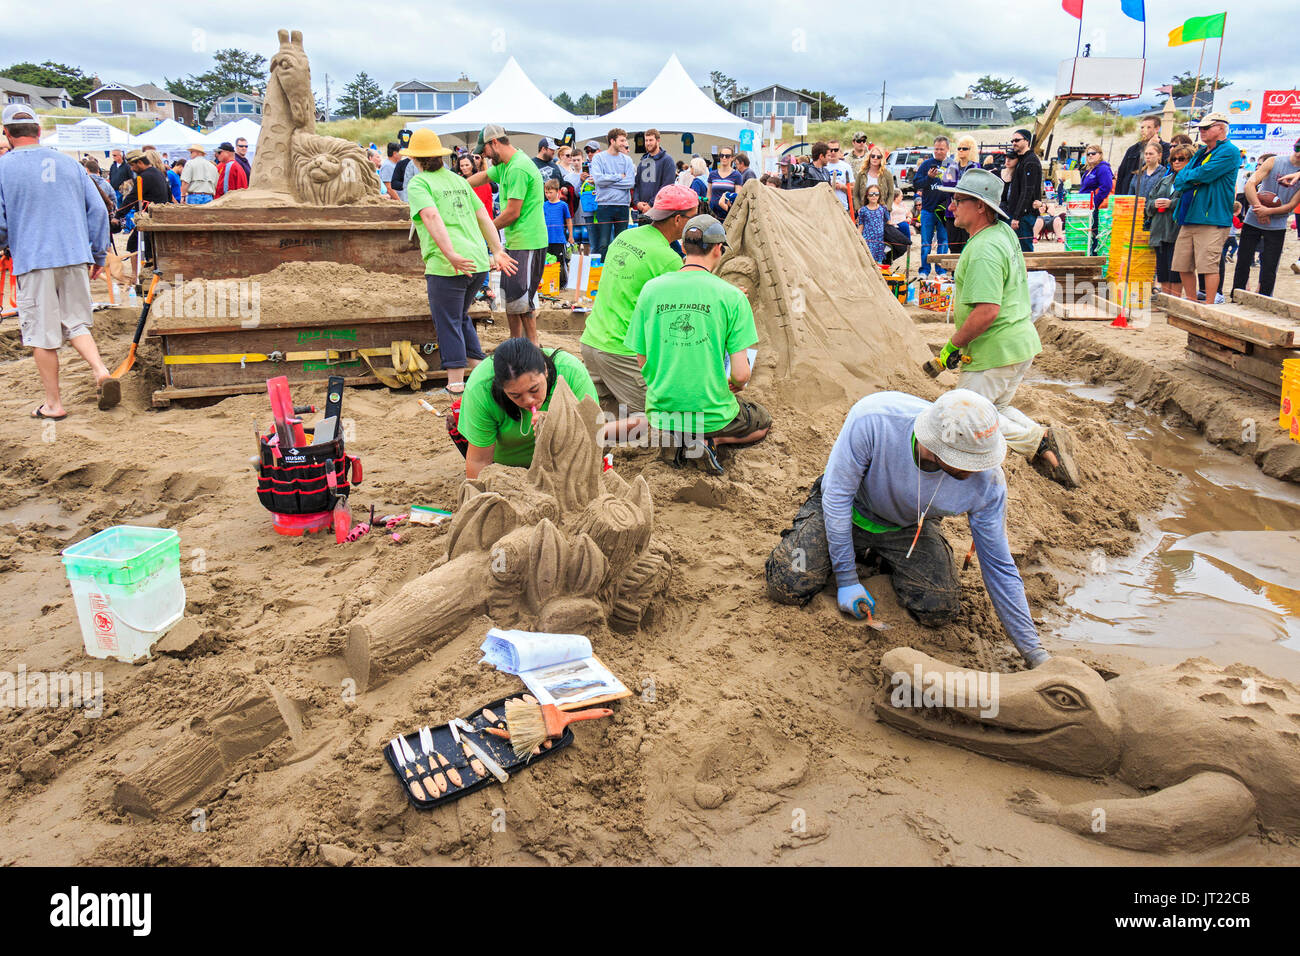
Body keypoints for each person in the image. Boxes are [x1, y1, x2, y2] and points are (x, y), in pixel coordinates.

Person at [764, 389, 1051, 668]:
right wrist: (847, 579)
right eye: (968, 463)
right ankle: (845, 552)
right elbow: (837, 497)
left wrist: (1034, 653)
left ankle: (875, 555)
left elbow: (999, 566)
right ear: (936, 446)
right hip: (848, 510)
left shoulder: (988, 483)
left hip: (908, 525)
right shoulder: (875, 419)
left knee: (938, 605)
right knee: (789, 580)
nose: (977, 469)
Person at [937, 167, 1078, 486]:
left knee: (963, 420)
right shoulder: (1002, 232)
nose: (952, 207)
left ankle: (1040, 442)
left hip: (995, 350)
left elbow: (986, 311)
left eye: (959, 200)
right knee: (996, 407)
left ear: (980, 206)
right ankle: (1040, 438)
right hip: (1016, 343)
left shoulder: (984, 248)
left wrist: (953, 345)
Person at [624, 215, 772, 476]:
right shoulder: (733, 297)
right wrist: (737, 384)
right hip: (712, 414)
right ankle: (710, 441)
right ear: (718, 249)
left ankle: (677, 439)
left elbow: (641, 358)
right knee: (761, 421)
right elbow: (740, 374)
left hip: (663, 412)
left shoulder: (651, 290)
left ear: (683, 247)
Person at [0, 103, 119, 417]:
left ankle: (54, 404)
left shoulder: (3, 167)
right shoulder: (71, 164)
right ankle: (101, 371)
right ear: (39, 131)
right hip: (74, 254)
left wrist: (6, 246)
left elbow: (1, 222)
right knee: (76, 322)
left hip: (34, 258)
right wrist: (96, 254)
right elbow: (98, 211)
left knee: (42, 333)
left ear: (7, 134)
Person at [404, 129, 516, 396]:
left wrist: (450, 253)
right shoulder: (458, 181)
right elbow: (483, 217)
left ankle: (455, 384)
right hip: (476, 262)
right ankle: (478, 367)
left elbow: (431, 217)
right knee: (459, 316)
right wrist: (496, 249)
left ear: (416, 160)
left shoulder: (420, 184)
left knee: (447, 321)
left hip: (449, 265)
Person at [579, 184, 696, 419]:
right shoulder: (667, 260)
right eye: (692, 217)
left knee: (604, 423)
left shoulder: (626, 236)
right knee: (660, 417)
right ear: (677, 220)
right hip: (621, 352)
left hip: (591, 340)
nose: (694, 223)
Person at [456, 337, 598, 478]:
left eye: (534, 389)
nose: (528, 400)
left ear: (545, 370)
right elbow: (479, 461)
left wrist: (559, 423)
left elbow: (591, 434)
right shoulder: (480, 389)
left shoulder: (570, 372)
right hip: (503, 470)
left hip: (562, 463)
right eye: (515, 395)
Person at [468, 124, 549, 344]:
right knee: (511, 298)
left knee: (523, 302)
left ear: (494, 143)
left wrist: (486, 230)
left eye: (483, 150)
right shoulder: (505, 165)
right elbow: (483, 177)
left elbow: (512, 213)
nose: (482, 155)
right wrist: (461, 186)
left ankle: (532, 349)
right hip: (516, 241)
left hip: (528, 241)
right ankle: (515, 344)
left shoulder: (518, 168)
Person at [1172, 112, 1241, 305]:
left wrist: (1190, 178)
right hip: (1190, 215)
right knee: (1182, 263)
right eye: (1200, 128)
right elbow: (1181, 178)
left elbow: (1204, 174)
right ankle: (1191, 301)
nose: (1202, 131)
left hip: (1213, 217)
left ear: (1221, 128)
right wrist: (1191, 178)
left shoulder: (1229, 151)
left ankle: (1209, 305)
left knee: (1208, 265)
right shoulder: (1202, 151)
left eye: (1206, 127)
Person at [1233, 137, 1300, 298]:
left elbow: (1291, 205)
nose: (1298, 153)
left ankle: (1264, 298)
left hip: (1277, 222)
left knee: (1270, 265)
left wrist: (1267, 212)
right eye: (1297, 149)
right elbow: (1251, 183)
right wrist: (1258, 208)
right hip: (1253, 218)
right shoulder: (1274, 161)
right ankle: (1237, 295)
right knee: (1243, 260)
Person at [1144, 144, 1191, 295]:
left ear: (1190, 160)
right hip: (1159, 228)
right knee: (1162, 267)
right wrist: (1154, 204)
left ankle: (1174, 299)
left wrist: (1172, 204)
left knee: (1175, 267)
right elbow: (1148, 203)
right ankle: (1165, 298)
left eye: (1181, 159)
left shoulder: (1192, 181)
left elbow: (1192, 202)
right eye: (1173, 159)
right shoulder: (1165, 180)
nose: (1176, 162)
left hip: (1177, 229)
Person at [589, 128, 636, 258]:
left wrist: (607, 181)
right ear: (612, 141)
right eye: (621, 140)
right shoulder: (598, 158)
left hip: (623, 206)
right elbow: (598, 179)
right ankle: (603, 271)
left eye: (625, 140)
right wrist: (619, 176)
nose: (624, 143)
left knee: (622, 242)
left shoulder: (627, 160)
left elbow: (630, 182)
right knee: (603, 242)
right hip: (605, 205)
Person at [914, 136, 953, 275]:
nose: (938, 151)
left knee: (943, 242)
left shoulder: (952, 165)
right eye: (936, 148)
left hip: (945, 210)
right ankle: (924, 270)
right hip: (928, 209)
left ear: (948, 149)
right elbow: (916, 184)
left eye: (941, 149)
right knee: (926, 243)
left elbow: (956, 187)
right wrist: (929, 178)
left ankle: (941, 270)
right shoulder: (926, 164)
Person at [1003, 129, 1042, 254]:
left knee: (1024, 250)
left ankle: (1029, 274)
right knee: (1014, 250)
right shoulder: (1022, 159)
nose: (1014, 143)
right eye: (1012, 140)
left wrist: (1017, 216)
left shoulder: (1030, 161)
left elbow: (1027, 191)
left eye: (1017, 140)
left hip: (1024, 216)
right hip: (1017, 213)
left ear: (1027, 141)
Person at [942, 135, 983, 253]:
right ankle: (955, 272)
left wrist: (956, 185)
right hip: (952, 211)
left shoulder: (976, 167)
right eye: (959, 148)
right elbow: (947, 185)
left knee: (968, 244)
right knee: (953, 244)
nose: (960, 151)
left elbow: (973, 188)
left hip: (969, 210)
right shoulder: (952, 166)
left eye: (964, 148)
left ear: (971, 150)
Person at [1115, 115, 1170, 195]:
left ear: (1157, 128)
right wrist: (1118, 196)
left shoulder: (1165, 147)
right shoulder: (1133, 149)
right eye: (1142, 127)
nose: (1144, 130)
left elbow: (1164, 169)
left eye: (1148, 127)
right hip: (1128, 194)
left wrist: (1153, 146)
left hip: (1151, 195)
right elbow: (1121, 174)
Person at [1077, 144, 1113, 257]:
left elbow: (1106, 187)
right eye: (1088, 154)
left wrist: (1094, 203)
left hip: (1095, 208)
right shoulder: (1089, 170)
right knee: (1088, 235)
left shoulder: (1103, 168)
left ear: (1100, 155)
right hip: (1086, 208)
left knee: (1095, 234)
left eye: (1094, 153)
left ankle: (1095, 260)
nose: (1090, 156)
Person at [633, 128, 675, 218]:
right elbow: (637, 184)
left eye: (651, 140)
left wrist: (651, 204)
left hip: (659, 211)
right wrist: (637, 202)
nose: (648, 143)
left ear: (658, 140)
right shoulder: (643, 161)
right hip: (643, 211)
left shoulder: (667, 160)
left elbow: (667, 186)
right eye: (646, 140)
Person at [542, 179, 572, 287]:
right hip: (546, 239)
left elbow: (568, 220)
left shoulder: (563, 205)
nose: (548, 195)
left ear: (557, 191)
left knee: (559, 262)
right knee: (547, 262)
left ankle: (562, 283)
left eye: (551, 192)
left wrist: (571, 236)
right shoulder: (544, 205)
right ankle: (549, 282)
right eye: (546, 192)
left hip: (559, 239)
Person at [852, 146, 895, 218]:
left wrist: (887, 209)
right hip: (865, 211)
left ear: (882, 159)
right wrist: (858, 208)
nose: (875, 158)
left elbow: (891, 194)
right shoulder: (862, 174)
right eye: (873, 156)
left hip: (881, 212)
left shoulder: (887, 174)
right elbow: (855, 194)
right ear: (869, 157)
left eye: (878, 157)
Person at [707, 146, 744, 221]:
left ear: (732, 158)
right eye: (721, 155)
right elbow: (709, 195)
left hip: (728, 215)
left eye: (727, 156)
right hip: (713, 215)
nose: (724, 158)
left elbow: (738, 198)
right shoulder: (712, 174)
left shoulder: (736, 175)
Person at [856, 185, 888, 262]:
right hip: (868, 240)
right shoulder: (863, 210)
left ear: (879, 195)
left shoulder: (883, 208)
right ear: (867, 196)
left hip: (879, 240)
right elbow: (861, 225)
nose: (874, 196)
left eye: (876, 194)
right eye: (871, 194)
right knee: (868, 260)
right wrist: (858, 238)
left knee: (879, 262)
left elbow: (888, 222)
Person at [824, 140, 854, 213]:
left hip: (842, 207)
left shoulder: (846, 167)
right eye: (830, 150)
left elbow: (853, 189)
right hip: (827, 207)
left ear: (839, 151)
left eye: (836, 150)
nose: (833, 152)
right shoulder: (823, 166)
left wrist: (842, 186)